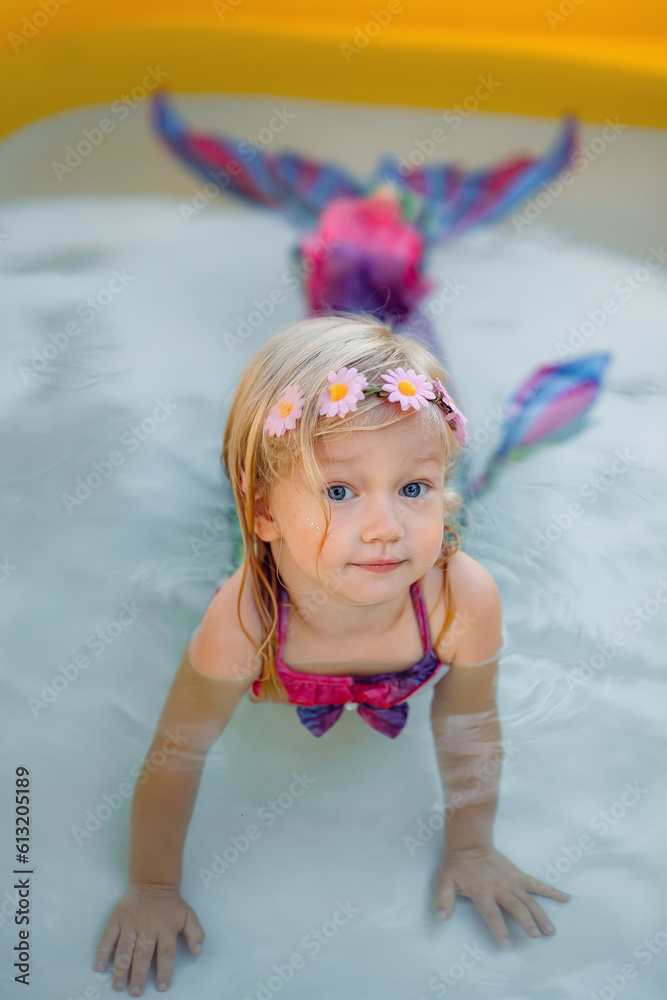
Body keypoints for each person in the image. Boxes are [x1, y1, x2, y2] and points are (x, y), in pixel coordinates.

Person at [93, 313, 570, 995]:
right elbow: (178, 751)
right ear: (267, 512)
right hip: (276, 563)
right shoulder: (245, 618)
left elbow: (469, 724)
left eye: (414, 488)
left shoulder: (459, 598)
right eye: (339, 492)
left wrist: (471, 848)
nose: (384, 528)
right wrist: (152, 886)